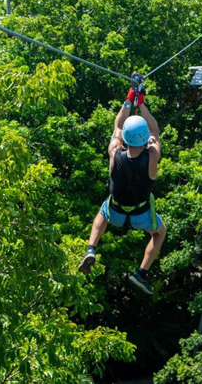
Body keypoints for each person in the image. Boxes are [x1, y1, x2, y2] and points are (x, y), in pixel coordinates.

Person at [78, 76, 166, 294]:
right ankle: (142, 272)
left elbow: (118, 126)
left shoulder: (114, 153)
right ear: (144, 138)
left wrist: (129, 100)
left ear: (125, 138)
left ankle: (91, 248)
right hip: (141, 215)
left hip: (115, 211)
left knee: (101, 214)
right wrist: (142, 104)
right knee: (159, 233)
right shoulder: (152, 156)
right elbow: (155, 131)